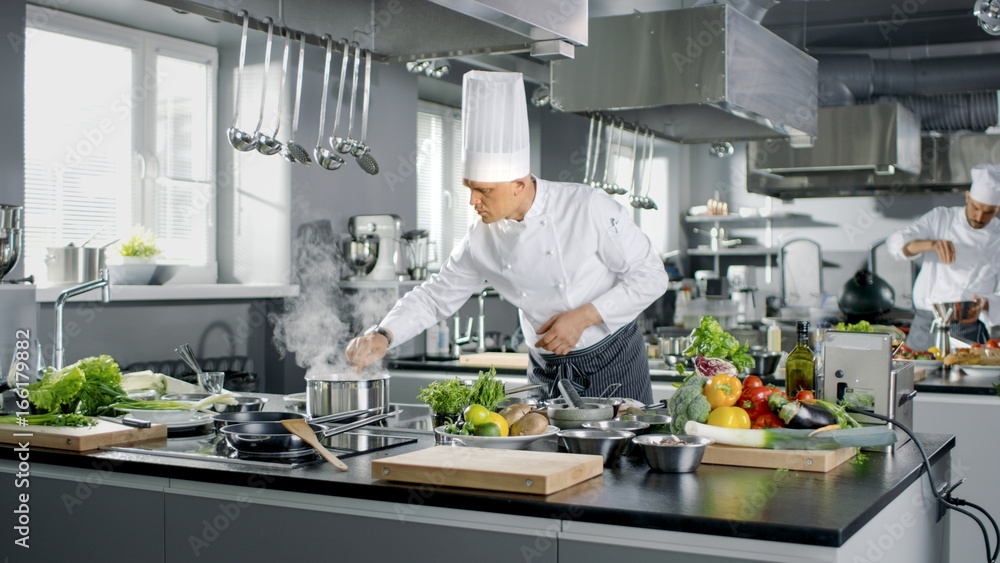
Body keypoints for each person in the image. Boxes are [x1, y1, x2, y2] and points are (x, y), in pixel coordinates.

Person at [345, 70, 668, 403]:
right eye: (469, 189)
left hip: (612, 359)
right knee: (548, 455)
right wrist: (384, 334)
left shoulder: (587, 206)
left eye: (484, 191)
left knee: (623, 455)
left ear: (519, 184)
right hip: (547, 368)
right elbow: (435, 296)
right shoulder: (480, 239)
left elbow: (652, 276)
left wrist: (584, 317)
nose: (472, 201)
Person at [886, 163, 1000, 351]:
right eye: (975, 207)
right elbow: (895, 244)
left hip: (969, 331)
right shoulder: (941, 218)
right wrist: (930, 244)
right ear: (967, 197)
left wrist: (985, 304)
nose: (979, 217)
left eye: (989, 212)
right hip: (926, 324)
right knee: (916, 378)